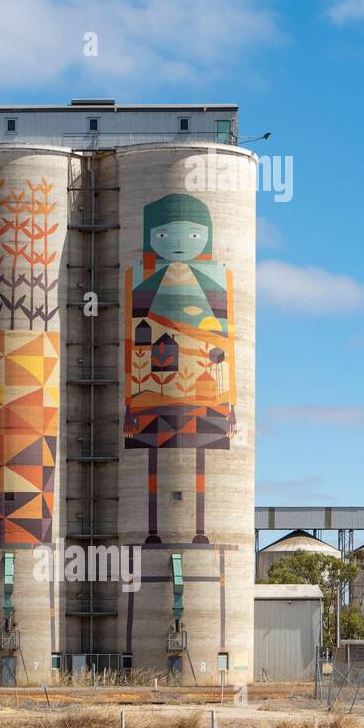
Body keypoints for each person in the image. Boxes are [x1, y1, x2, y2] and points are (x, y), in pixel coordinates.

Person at [124, 193, 236, 544]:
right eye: (163, 236)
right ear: (150, 238)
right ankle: (153, 531)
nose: (175, 244)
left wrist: (230, 404)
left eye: (190, 236)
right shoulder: (139, 284)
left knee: (200, 457)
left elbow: (225, 345)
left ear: (204, 237)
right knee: (154, 460)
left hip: (205, 388)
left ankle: (200, 530)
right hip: (151, 388)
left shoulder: (218, 282)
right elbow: (133, 341)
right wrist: (130, 404)